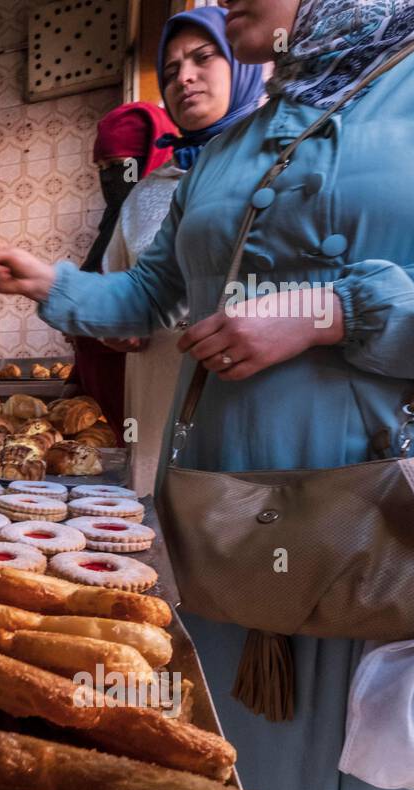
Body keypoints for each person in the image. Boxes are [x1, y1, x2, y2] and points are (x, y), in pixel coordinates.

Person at [0, 0, 414, 790]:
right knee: (232, 765)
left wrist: (335, 310)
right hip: (223, 517)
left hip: (380, 518)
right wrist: (48, 281)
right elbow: (152, 299)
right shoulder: (234, 146)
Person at [104, 7, 264, 495]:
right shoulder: (150, 190)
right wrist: (114, 326)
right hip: (157, 413)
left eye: (203, 58)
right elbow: (121, 290)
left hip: (251, 410)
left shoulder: (283, 164)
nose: (185, 78)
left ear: (243, 65)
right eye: (171, 70)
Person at [68, 101, 176, 443]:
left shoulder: (166, 217)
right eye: (101, 167)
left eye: (118, 165)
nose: (109, 177)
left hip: (144, 389)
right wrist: (76, 378)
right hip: (99, 397)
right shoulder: (117, 223)